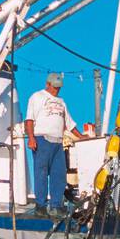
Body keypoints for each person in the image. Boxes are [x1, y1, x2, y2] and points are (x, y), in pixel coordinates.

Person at [24, 73, 90, 217]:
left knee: (59, 174)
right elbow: (29, 119)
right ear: (48, 84)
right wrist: (31, 138)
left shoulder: (62, 102)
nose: (56, 90)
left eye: (59, 88)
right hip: (42, 139)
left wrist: (80, 136)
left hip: (58, 141)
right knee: (41, 173)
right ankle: (40, 206)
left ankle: (56, 205)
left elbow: (69, 123)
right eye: (54, 87)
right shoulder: (37, 97)